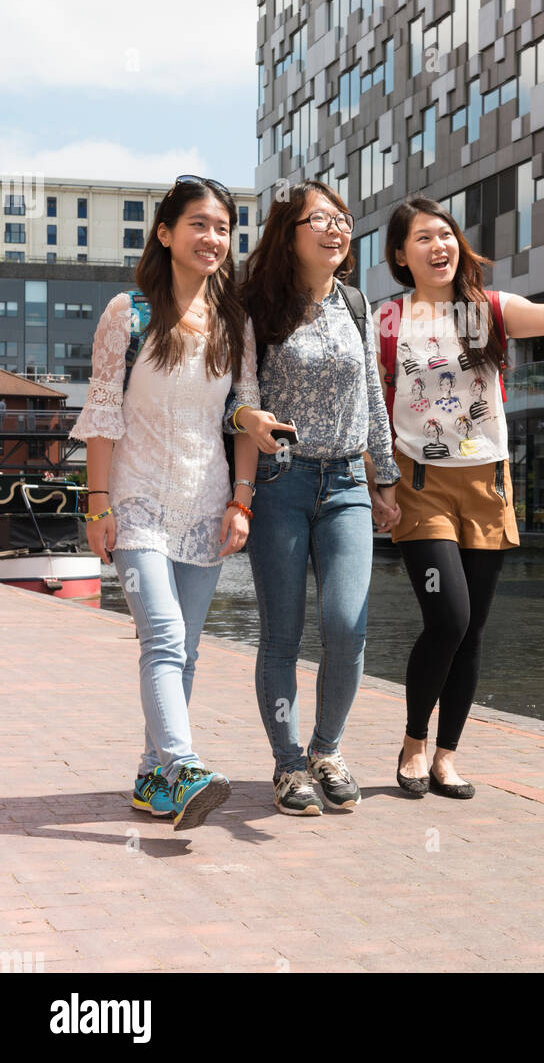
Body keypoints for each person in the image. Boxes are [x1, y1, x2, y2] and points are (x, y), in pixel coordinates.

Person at [376, 194, 544, 799]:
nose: (439, 246)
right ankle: (413, 740)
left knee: (472, 631)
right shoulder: (386, 320)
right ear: (399, 254)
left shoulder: (487, 309)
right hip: (419, 482)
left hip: (487, 483)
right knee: (448, 618)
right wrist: (374, 475)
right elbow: (370, 399)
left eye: (445, 235)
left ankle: (445, 756)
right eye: (423, 238)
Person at [69, 176, 261, 831]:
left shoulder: (235, 321)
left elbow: (243, 417)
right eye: (200, 225)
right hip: (137, 499)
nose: (213, 239)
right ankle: (182, 765)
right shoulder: (129, 311)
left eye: (224, 228)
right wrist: (98, 505)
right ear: (165, 233)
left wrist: (241, 501)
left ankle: (154, 778)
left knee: (188, 648)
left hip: (206, 504)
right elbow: (102, 411)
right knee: (164, 635)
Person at [223, 180, 400, 815]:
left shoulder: (355, 303)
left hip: (348, 482)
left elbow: (374, 396)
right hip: (282, 481)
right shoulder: (259, 307)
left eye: (342, 219)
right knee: (282, 634)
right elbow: (238, 392)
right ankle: (288, 763)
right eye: (319, 220)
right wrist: (251, 421)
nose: (336, 229)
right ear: (289, 235)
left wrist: (384, 477)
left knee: (346, 627)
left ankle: (328, 749)